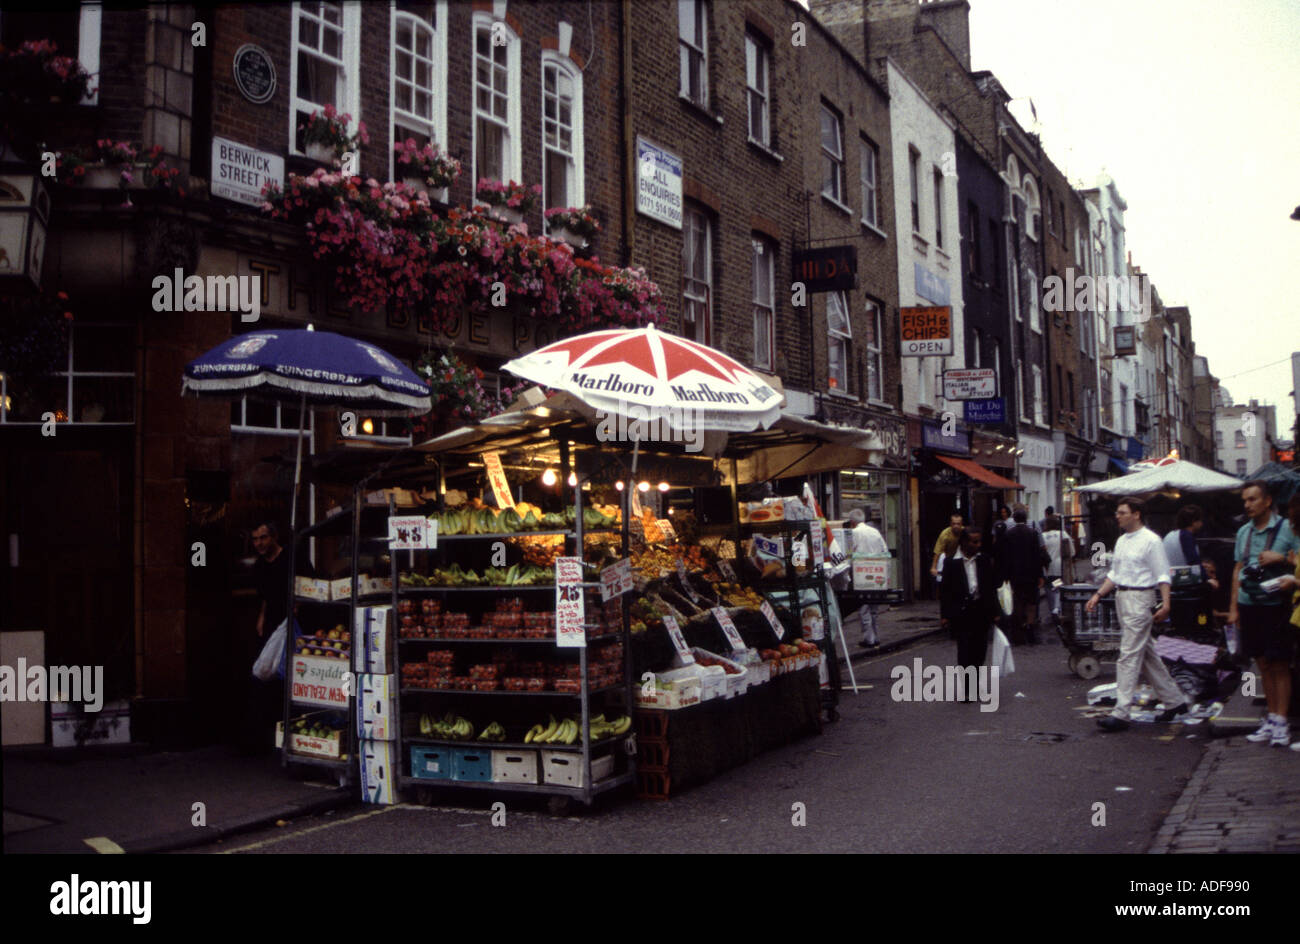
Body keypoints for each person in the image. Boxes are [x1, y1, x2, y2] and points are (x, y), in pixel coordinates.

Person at [1086, 496, 1188, 732]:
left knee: (1128, 655)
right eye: (1118, 512)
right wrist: (1098, 595)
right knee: (1147, 653)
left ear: (1136, 514)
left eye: (1122, 512)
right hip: (1123, 597)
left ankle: (1121, 713)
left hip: (1141, 599)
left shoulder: (1151, 541)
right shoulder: (1122, 540)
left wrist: (1166, 604)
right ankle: (1175, 702)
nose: (1117, 516)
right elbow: (1115, 574)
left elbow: (1162, 574)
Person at [1229, 480, 1300, 747]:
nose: (1247, 505)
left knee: (1280, 664)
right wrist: (1234, 608)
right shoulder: (1243, 532)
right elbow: (1238, 569)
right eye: (1245, 500)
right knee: (1262, 664)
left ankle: (1282, 722)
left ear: (1267, 501)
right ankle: (1271, 717)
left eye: (1252, 500)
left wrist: (1279, 559)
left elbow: (1298, 562)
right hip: (1250, 605)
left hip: (1277, 607)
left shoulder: (1288, 529)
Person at [939, 528, 1000, 699]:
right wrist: (944, 615)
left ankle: (975, 684)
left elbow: (990, 588)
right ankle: (967, 690)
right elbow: (945, 592)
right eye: (974, 542)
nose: (978, 545)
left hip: (981, 611)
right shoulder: (951, 563)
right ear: (964, 543)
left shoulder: (984, 560)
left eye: (979, 541)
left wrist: (996, 612)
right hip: (962, 613)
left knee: (979, 651)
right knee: (964, 651)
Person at [247, 520, 290, 753]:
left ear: (273, 537)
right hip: (273, 622)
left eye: (263, 538)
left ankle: (285, 732)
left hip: (291, 623)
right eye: (255, 539)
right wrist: (262, 617)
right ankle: (267, 735)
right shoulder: (260, 566)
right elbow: (264, 596)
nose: (259, 544)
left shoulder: (290, 558)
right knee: (266, 674)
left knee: (286, 675)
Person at [998, 505, 1046, 645]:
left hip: (1015, 574)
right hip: (1030, 574)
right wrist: (1040, 575)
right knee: (1031, 602)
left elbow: (1005, 558)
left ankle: (1018, 631)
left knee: (1017, 601)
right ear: (1025, 519)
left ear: (1014, 518)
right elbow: (1037, 556)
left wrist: (1005, 576)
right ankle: (1030, 627)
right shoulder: (1032, 533)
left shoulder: (1008, 534)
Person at [847, 508, 888, 647]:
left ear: (852, 522)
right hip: (877, 574)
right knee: (874, 608)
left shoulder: (854, 533)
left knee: (864, 608)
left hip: (862, 575)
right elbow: (885, 551)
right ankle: (876, 637)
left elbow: (849, 553)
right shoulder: (875, 532)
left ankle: (869, 639)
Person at [1040, 514, 1074, 620]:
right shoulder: (1063, 534)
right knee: (1058, 587)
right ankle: (1057, 608)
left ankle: (1053, 610)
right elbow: (1072, 552)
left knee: (1049, 589)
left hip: (1047, 569)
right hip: (1060, 568)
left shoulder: (1043, 536)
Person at [1163, 504, 1205, 569]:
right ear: (1194, 522)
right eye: (1200, 520)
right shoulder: (1186, 536)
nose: (1202, 523)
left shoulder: (1170, 535)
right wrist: (1206, 577)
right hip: (1182, 576)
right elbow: (1193, 562)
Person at [930, 513, 964, 584]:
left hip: (961, 557)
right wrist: (933, 567)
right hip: (948, 557)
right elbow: (937, 552)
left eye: (958, 524)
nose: (956, 526)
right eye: (954, 524)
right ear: (951, 524)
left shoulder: (965, 532)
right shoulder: (945, 534)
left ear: (961, 524)